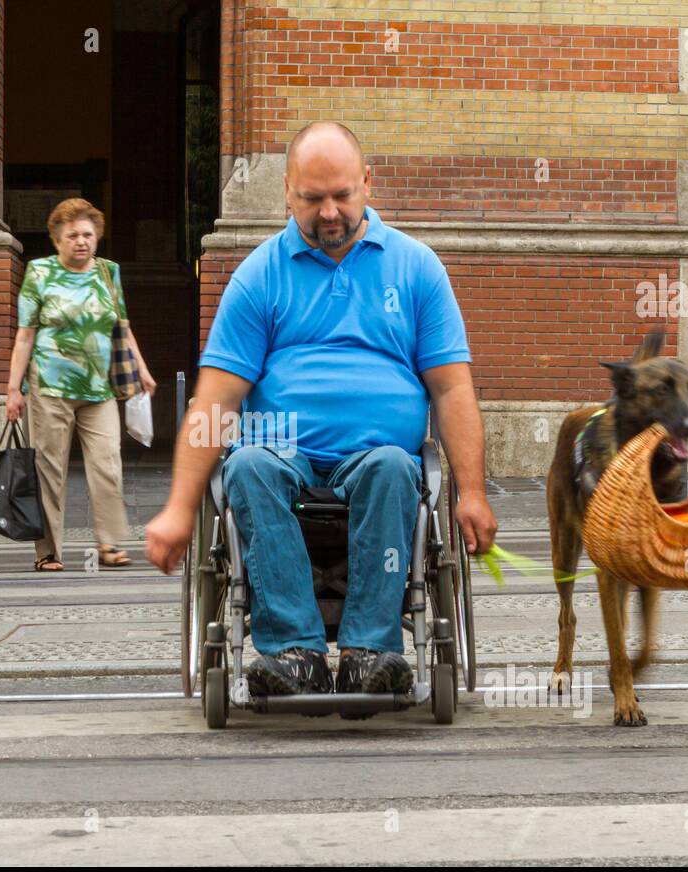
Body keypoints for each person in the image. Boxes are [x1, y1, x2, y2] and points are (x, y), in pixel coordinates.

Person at [144, 121, 497, 702]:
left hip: (380, 460)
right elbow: (216, 399)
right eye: (312, 199)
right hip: (280, 454)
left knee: (390, 466)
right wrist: (180, 509)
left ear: (366, 184)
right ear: (287, 191)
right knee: (248, 464)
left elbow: (453, 390)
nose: (329, 213)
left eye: (341, 196)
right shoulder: (259, 275)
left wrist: (475, 493)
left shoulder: (416, 269)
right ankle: (292, 652)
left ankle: (371, 651)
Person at [5, 198, 156, 572]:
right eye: (72, 235)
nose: (81, 241)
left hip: (99, 388)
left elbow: (121, 325)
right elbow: (25, 336)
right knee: (49, 470)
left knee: (108, 463)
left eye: (87, 234)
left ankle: (109, 544)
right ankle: (48, 550)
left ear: (97, 237)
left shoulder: (108, 273)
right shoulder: (39, 274)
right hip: (50, 389)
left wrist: (140, 367)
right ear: (57, 240)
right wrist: (13, 389)